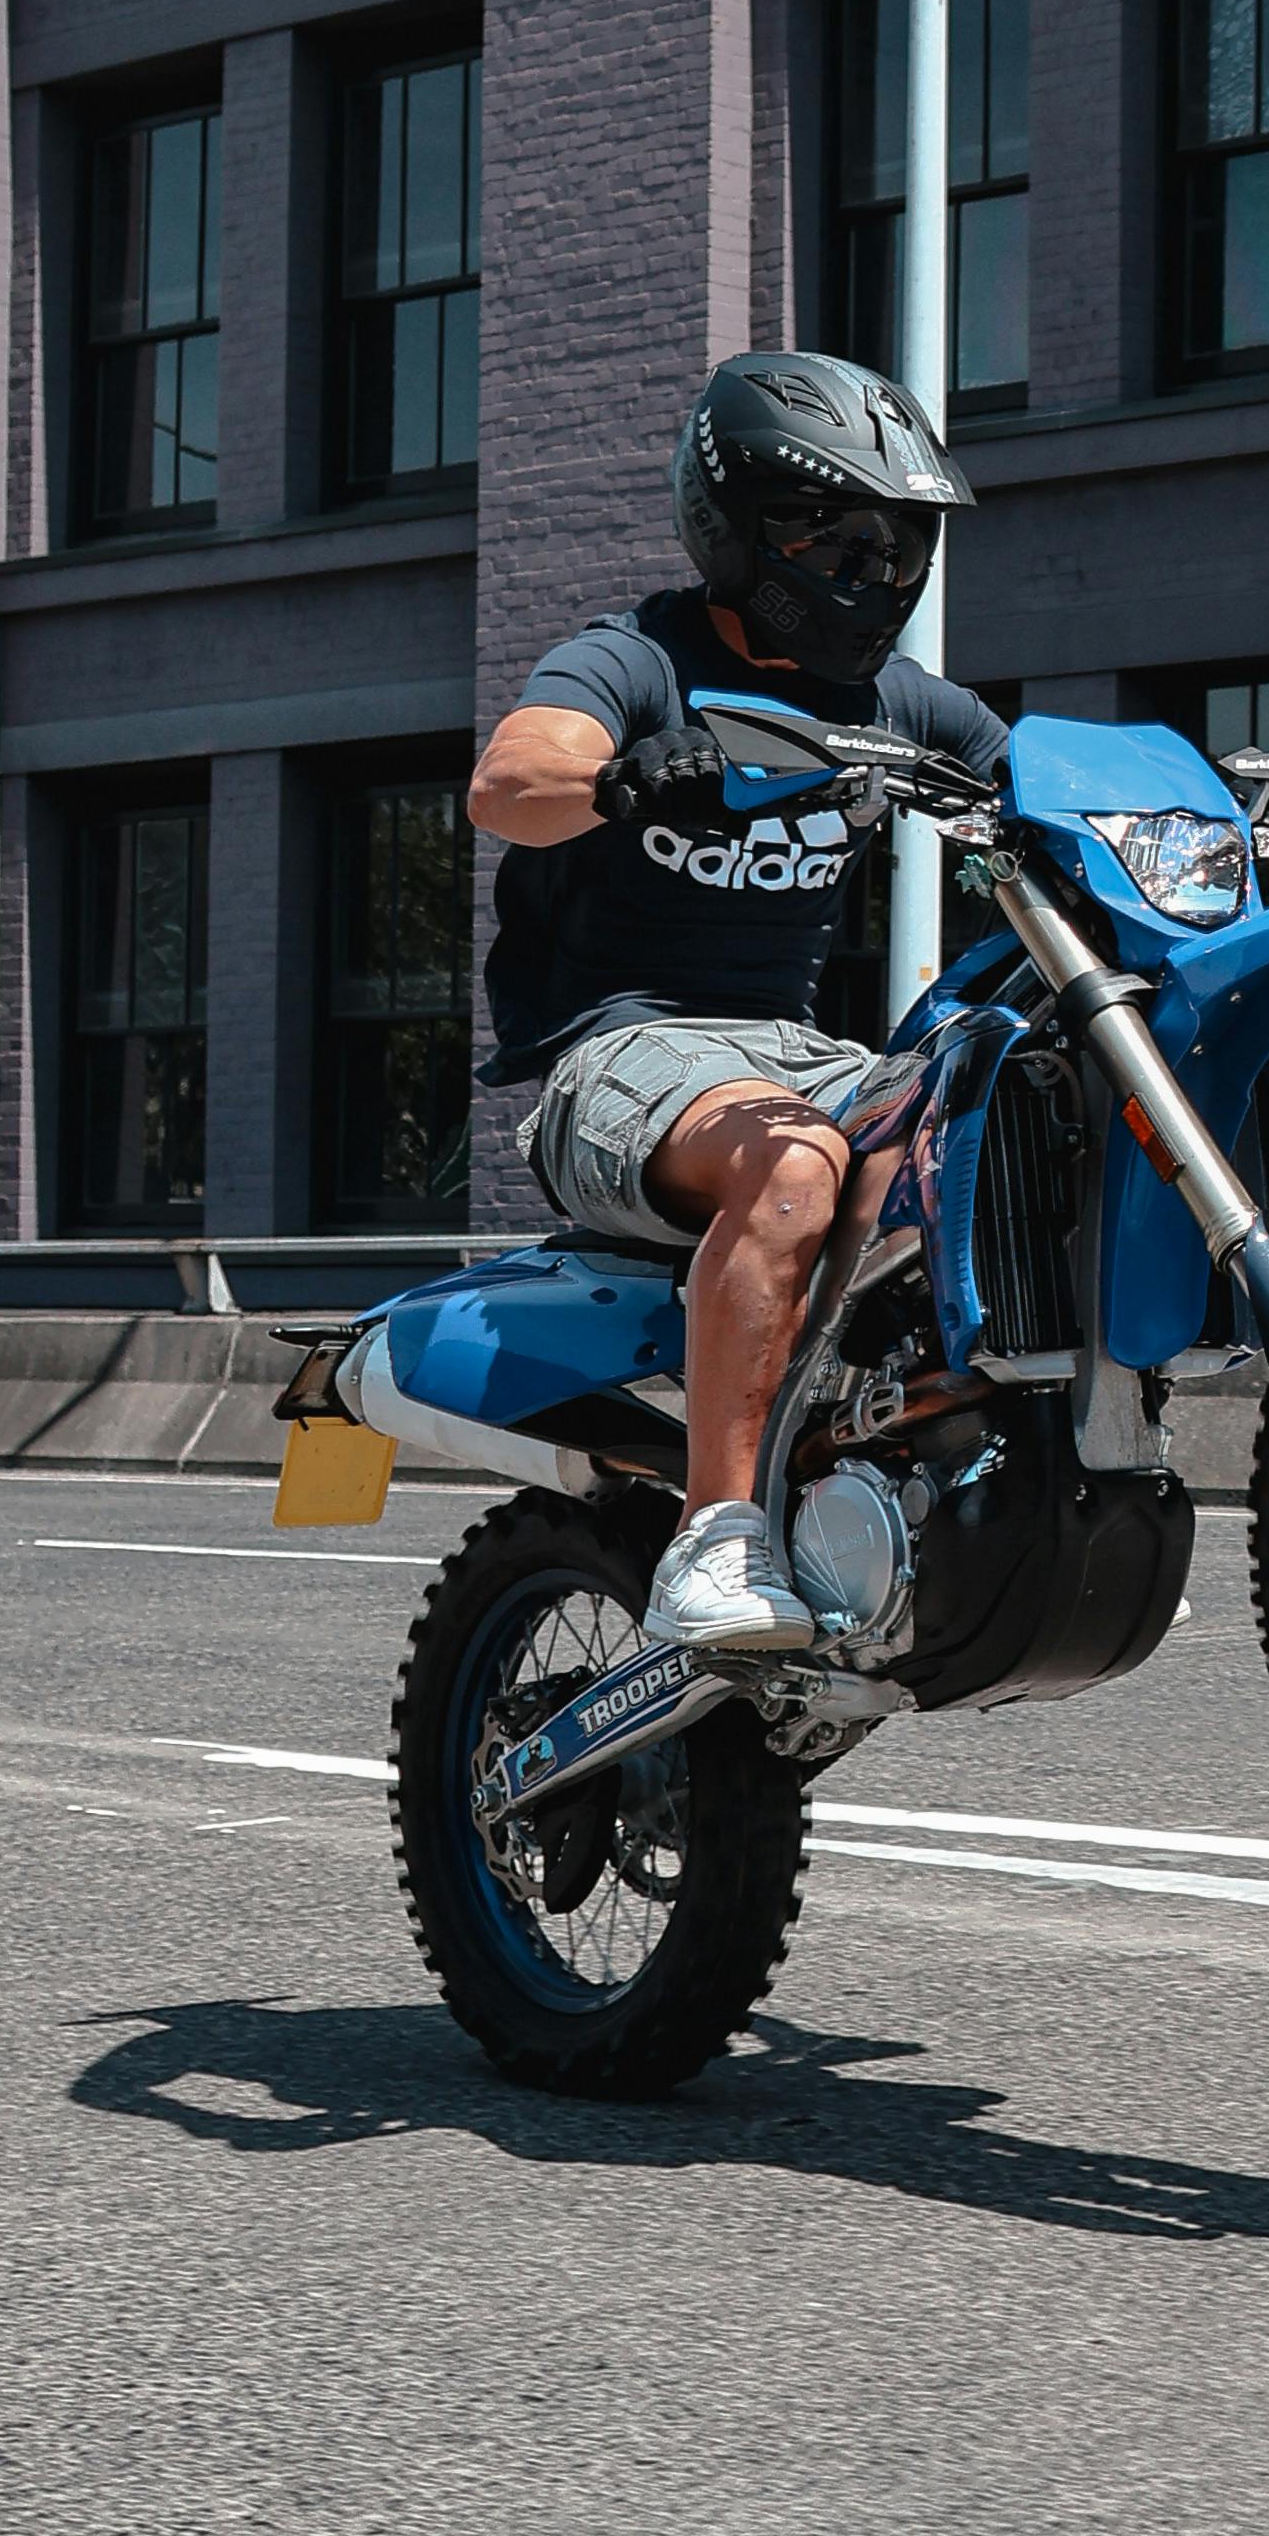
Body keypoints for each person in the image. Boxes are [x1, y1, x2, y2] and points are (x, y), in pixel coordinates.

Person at [467, 353, 1010, 1659]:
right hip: (621, 1057)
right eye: (842, 535)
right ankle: (716, 1540)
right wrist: (624, 783)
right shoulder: (637, 660)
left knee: (976, 1141)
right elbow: (510, 777)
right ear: (745, 525)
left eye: (901, 542)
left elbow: (1037, 790)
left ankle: (873, 1488)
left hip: (800, 1055)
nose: (876, 570)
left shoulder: (895, 707)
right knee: (800, 1168)